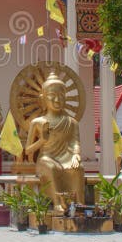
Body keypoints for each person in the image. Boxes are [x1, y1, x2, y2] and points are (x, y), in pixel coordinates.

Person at [25, 71, 85, 212]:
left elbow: (75, 142)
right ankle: (58, 203)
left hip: (65, 157)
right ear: (43, 99)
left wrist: (76, 155)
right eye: (52, 96)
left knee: (78, 168)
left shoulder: (72, 122)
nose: (57, 100)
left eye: (61, 96)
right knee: (50, 167)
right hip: (46, 159)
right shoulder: (37, 122)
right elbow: (28, 150)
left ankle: (78, 203)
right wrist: (41, 141)